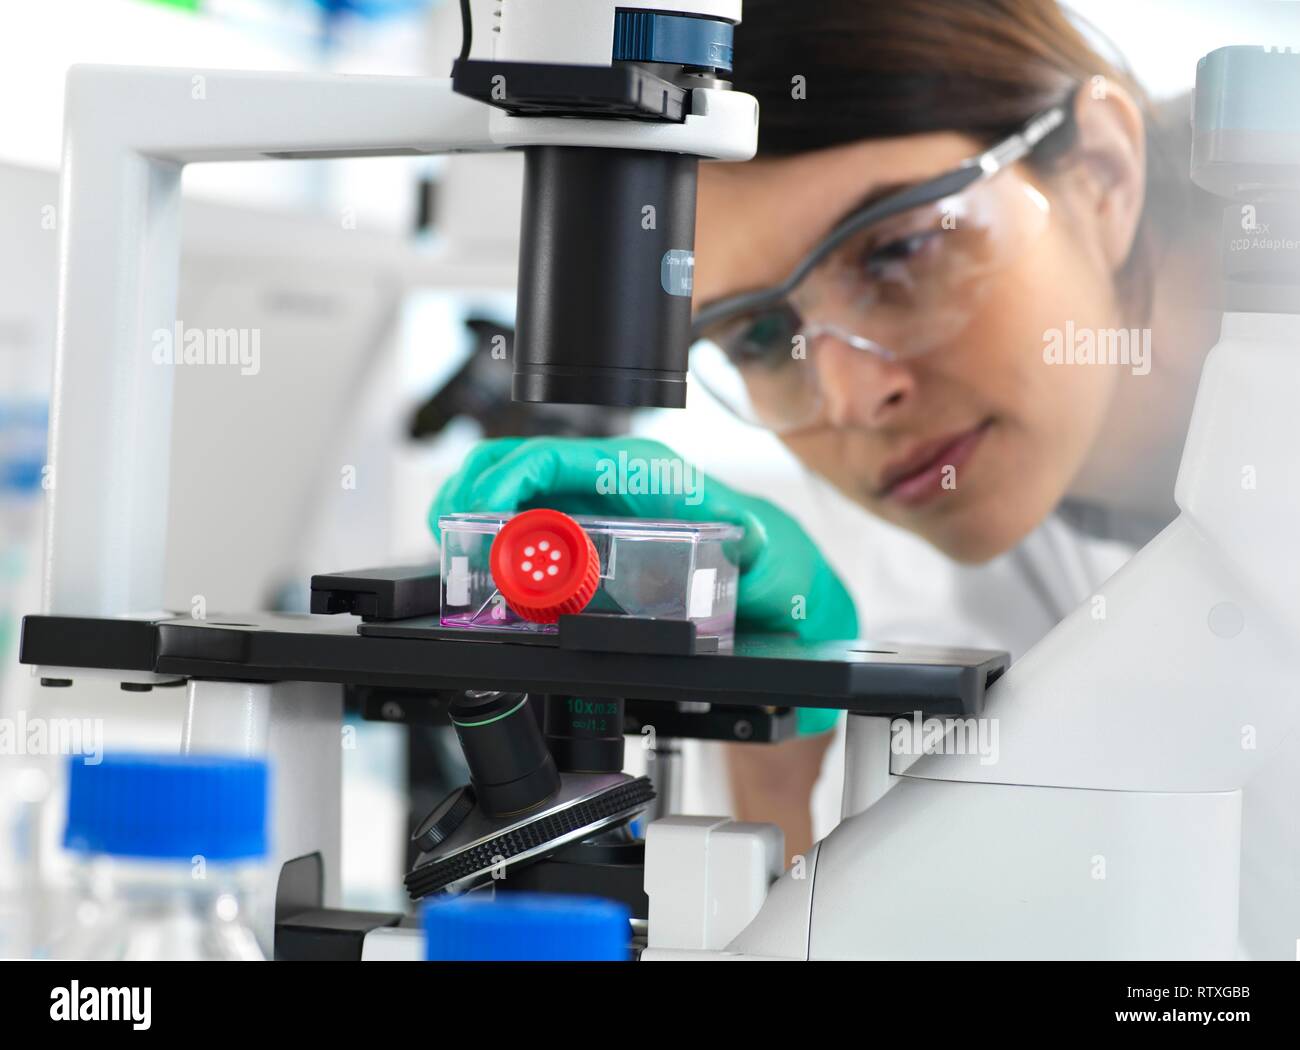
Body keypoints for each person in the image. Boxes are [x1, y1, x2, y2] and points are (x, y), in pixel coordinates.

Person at [429, 0, 1222, 862]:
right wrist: (770, 749)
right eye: (760, 337)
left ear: (1100, 173)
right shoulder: (981, 528)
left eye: (900, 254)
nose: (848, 397)